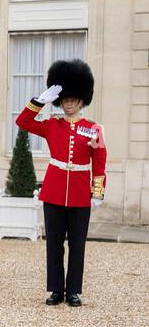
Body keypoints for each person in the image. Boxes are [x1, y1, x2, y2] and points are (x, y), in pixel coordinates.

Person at [15, 59, 107, 307]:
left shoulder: (93, 129)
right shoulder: (52, 125)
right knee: (54, 244)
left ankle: (73, 290)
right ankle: (56, 289)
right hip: (54, 191)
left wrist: (97, 191)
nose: (68, 103)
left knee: (77, 245)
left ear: (81, 100)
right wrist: (39, 101)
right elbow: (22, 122)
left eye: (73, 99)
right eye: (65, 99)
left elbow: (99, 160)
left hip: (79, 194)